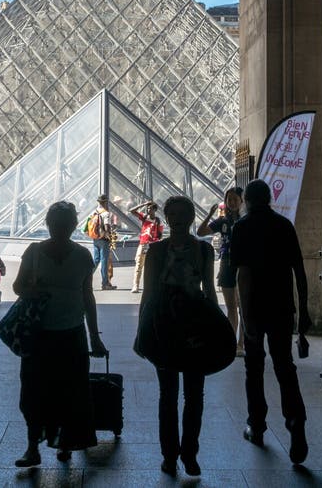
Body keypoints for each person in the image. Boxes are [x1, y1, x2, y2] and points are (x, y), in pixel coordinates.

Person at [12, 201, 108, 467]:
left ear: (73, 226)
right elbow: (18, 286)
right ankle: (40, 446)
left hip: (65, 333)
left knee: (57, 392)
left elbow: (88, 295)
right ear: (49, 224)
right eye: (57, 224)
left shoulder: (82, 256)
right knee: (38, 392)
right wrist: (34, 290)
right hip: (47, 334)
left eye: (64, 225)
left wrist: (95, 336)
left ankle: (53, 444)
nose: (61, 229)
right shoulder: (35, 252)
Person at [229, 178, 311, 465]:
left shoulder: (242, 227)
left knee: (254, 367)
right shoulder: (284, 226)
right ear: (270, 198)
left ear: (247, 201)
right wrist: (304, 313)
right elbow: (299, 271)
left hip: (256, 308)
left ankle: (257, 424)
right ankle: (295, 420)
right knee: (284, 366)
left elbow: (243, 275)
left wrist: (245, 315)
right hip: (282, 307)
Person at [141, 195, 217, 477]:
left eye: (181, 214)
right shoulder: (197, 251)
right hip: (174, 327)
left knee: (181, 395)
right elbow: (206, 291)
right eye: (173, 215)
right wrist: (142, 331)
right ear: (168, 218)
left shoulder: (160, 251)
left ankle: (179, 454)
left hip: (179, 326)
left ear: (190, 217)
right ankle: (178, 455)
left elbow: (209, 289)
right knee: (182, 395)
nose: (177, 220)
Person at [196, 188, 244, 354]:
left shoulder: (246, 219)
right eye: (229, 199)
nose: (231, 203)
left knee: (241, 306)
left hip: (241, 264)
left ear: (242, 200)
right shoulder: (223, 221)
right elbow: (200, 232)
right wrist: (210, 215)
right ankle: (234, 343)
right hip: (227, 263)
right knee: (233, 306)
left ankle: (240, 344)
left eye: (235, 199)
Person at [129, 201, 163, 292]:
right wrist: (143, 204)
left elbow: (160, 235)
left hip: (152, 245)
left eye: (150, 208)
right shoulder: (144, 217)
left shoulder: (158, 221)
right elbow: (131, 211)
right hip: (143, 244)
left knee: (152, 267)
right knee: (139, 265)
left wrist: (156, 243)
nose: (148, 210)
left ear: (155, 210)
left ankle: (151, 286)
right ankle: (135, 285)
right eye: (147, 208)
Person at [91, 194, 117, 290]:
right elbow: (106, 226)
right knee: (104, 261)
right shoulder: (106, 213)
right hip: (103, 239)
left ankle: (86, 278)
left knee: (96, 260)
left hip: (95, 238)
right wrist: (109, 234)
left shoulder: (94, 212)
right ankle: (105, 284)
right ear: (105, 202)